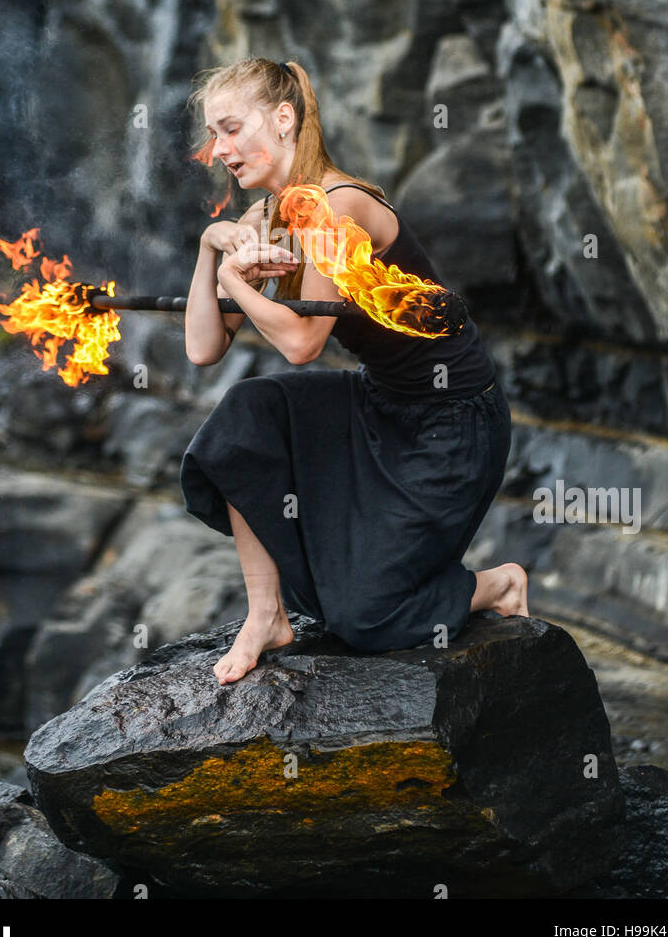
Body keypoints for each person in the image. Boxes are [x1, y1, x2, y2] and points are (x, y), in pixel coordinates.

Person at [180, 56, 528, 684]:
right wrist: (212, 249)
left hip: (452, 425)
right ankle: (266, 616)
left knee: (365, 616)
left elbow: (303, 342)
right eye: (214, 134)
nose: (221, 149)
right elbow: (204, 348)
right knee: (243, 418)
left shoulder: (339, 208)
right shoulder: (267, 217)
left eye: (231, 128)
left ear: (283, 119)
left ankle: (496, 585)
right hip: (379, 403)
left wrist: (237, 278)